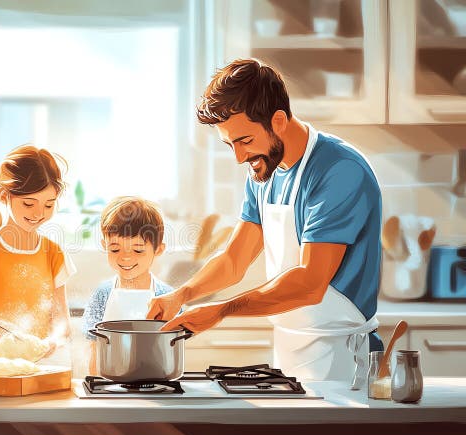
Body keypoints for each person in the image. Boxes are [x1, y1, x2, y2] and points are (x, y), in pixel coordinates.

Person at [148, 58, 383, 388]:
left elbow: (309, 283)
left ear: (278, 120)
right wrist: (183, 294)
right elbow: (233, 261)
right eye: (230, 144)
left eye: (244, 140)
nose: (239, 157)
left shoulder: (340, 171)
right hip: (290, 351)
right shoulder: (263, 172)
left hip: (343, 358)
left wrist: (222, 310)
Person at [0, 145, 76, 361]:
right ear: (4, 196)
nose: (39, 213)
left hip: (36, 369)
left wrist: (53, 341)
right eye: (29, 203)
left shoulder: (54, 254)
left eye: (49, 205)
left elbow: (62, 323)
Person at [82, 196, 173, 375]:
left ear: (158, 249)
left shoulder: (166, 295)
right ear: (104, 245)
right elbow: (94, 346)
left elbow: (173, 347)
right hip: (108, 382)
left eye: (138, 250)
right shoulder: (102, 294)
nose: (125, 257)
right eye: (115, 249)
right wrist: (97, 387)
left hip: (157, 381)